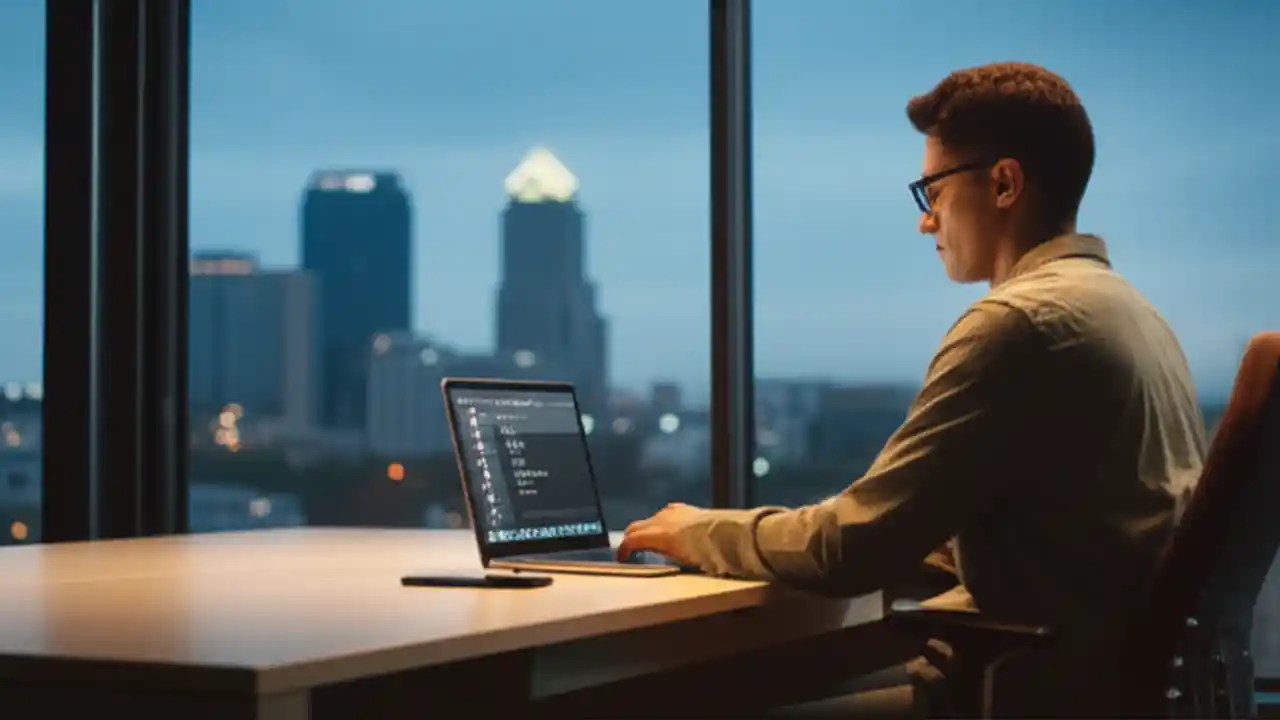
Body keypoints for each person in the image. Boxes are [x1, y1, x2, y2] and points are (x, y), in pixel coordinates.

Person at [617, 61, 1208, 717]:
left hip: (1024, 693)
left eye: (933, 191)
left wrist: (694, 530)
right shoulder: (1130, 313)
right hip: (1105, 684)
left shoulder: (1016, 327)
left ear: (1004, 183)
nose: (927, 222)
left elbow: (849, 550)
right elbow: (1058, 527)